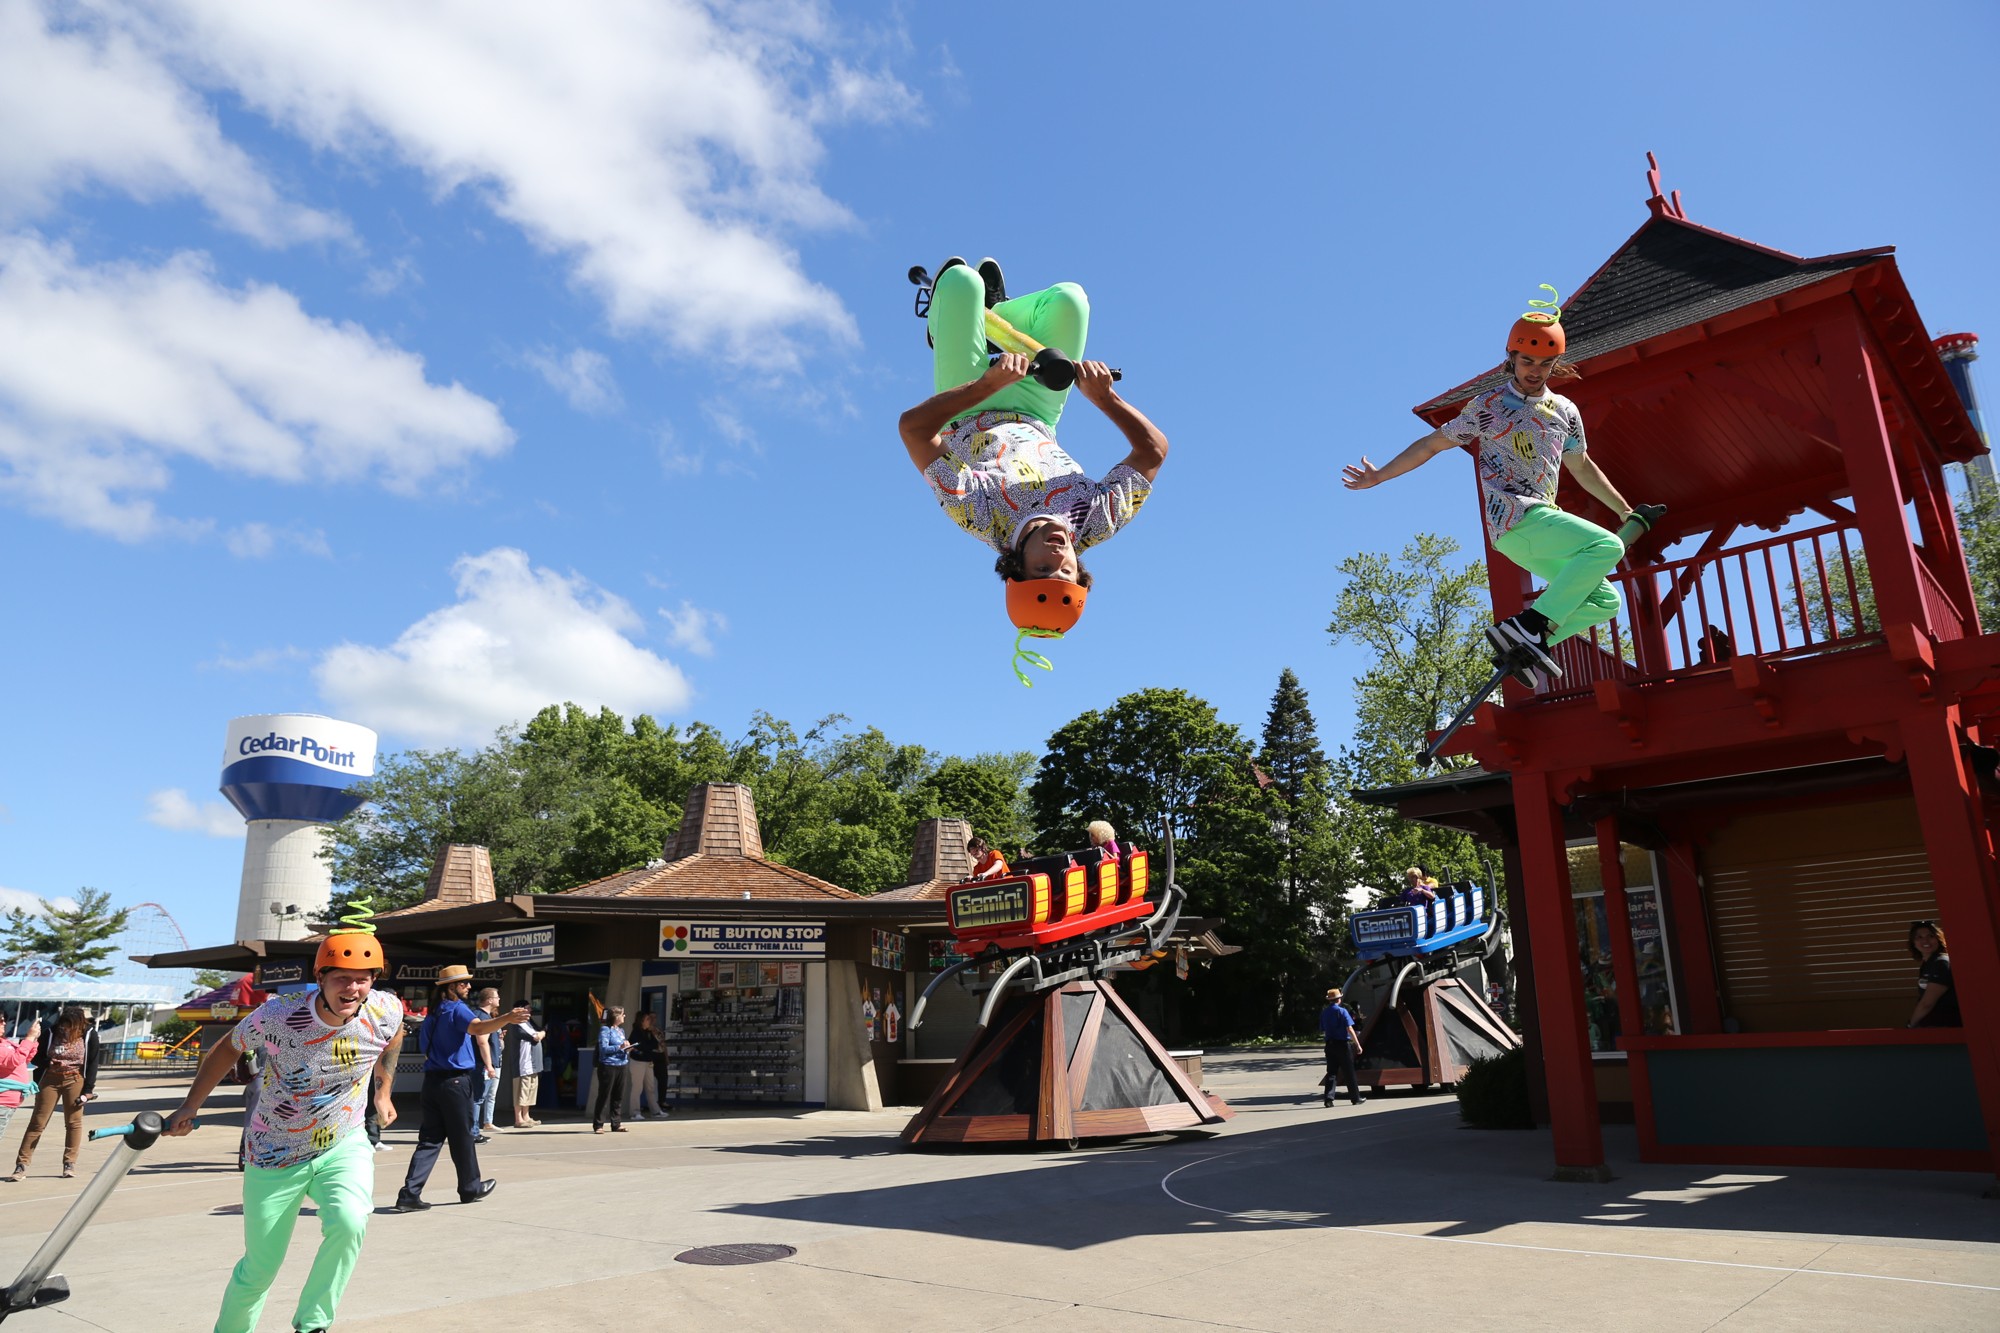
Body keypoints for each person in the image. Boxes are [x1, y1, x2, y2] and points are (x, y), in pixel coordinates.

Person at [1342, 288, 1644, 683]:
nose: (1534, 371)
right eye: (1526, 361)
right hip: (1515, 518)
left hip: (1533, 533)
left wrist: (1625, 510)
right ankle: (1531, 625)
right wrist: (1380, 475)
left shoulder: (1565, 411)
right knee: (1608, 545)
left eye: (1544, 364)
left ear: (1556, 363)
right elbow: (1432, 445)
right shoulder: (1488, 406)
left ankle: (1530, 646)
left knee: (1605, 601)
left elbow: (1583, 466)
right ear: (1511, 358)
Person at [164, 906, 403, 1333]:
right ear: (321, 978)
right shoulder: (278, 1016)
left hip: (342, 1142)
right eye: (342, 978)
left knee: (350, 1221)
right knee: (260, 1267)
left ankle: (313, 1323)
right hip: (275, 1152)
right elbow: (227, 1048)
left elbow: (394, 1037)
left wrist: (382, 1089)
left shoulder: (385, 1009)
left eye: (363, 978)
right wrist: (190, 1105)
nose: (353, 987)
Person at [899, 259, 1168, 630]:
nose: (1058, 557)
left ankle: (944, 319)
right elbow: (1153, 452)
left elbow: (913, 430)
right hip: (1037, 410)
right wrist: (1107, 399)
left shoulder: (980, 515)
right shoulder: (1094, 521)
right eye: (1066, 572)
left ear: (1016, 562)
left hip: (968, 403)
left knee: (961, 281)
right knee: (1070, 300)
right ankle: (991, 316)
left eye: (1043, 569)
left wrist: (985, 386)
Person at [394, 965, 528, 1211]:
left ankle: (409, 1194)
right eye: (463, 983)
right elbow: (478, 1029)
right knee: (463, 1137)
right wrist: (506, 1018)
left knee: (430, 1139)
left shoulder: (434, 1013)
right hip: (455, 1082)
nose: (468, 986)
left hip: (432, 1082)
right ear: (451, 986)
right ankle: (470, 1188)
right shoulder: (457, 1009)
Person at [12, 1006, 100, 1180]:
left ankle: (69, 1163)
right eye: (64, 1025)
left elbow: (93, 1063)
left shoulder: (89, 1034)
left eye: (70, 1027)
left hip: (74, 1079)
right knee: (37, 1122)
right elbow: (35, 1056)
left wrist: (88, 1090)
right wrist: (47, 1062)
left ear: (79, 1024)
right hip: (50, 1079)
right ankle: (21, 1165)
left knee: (73, 1123)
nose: (66, 1029)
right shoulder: (51, 1031)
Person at [1907, 920, 1962, 1028]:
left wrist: (1910, 1025)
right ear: (1913, 942)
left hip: (1945, 1024)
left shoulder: (1941, 963)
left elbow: (1927, 1004)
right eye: (1919, 937)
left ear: (1938, 939)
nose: (1925, 940)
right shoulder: (1928, 963)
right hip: (1931, 1022)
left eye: (1930, 936)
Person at [1318, 989, 1366, 1109]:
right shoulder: (1342, 1011)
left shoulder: (1324, 1013)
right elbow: (1349, 1029)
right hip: (1343, 1045)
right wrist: (1358, 1044)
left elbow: (1324, 1030)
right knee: (1348, 1071)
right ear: (1339, 999)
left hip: (1329, 1045)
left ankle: (1329, 1099)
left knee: (1331, 1072)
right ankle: (1355, 1098)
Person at [0, 1017, 41, 1157]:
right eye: (0, 1020)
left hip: (8, 1102)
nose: (4, 1023)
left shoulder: (5, 1043)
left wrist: (33, 1040)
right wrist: (29, 1038)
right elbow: (13, 1061)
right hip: (2, 1101)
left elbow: (23, 1060)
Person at [591, 1006, 633, 1133]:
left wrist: (627, 1049)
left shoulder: (621, 1031)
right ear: (616, 1016)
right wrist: (620, 1047)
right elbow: (604, 1048)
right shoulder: (605, 1030)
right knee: (604, 1094)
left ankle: (616, 1123)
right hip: (608, 1065)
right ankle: (598, 1125)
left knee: (618, 1095)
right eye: (622, 1014)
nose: (624, 1016)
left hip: (622, 1064)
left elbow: (621, 1048)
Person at [469, 987, 502, 1141]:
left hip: (478, 1064)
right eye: (497, 997)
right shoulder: (483, 1017)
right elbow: (482, 1042)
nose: (499, 1000)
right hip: (481, 1065)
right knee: (477, 1098)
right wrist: (489, 1066)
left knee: (476, 1098)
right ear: (489, 1000)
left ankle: (472, 1131)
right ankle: (473, 1132)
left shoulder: (479, 1015)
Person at [510, 1010, 546, 1128]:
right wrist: (540, 1034)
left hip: (533, 1065)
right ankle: (518, 1119)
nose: (529, 1014)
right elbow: (535, 1036)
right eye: (526, 1010)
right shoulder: (516, 1025)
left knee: (531, 1089)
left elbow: (542, 1031)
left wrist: (541, 1033)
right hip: (523, 1065)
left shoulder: (529, 1024)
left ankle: (526, 1116)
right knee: (521, 1091)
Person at [628, 1011, 667, 1119]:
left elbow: (655, 1044)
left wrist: (648, 1047)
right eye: (647, 1019)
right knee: (637, 1088)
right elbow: (642, 1046)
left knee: (650, 1087)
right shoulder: (636, 1033)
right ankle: (635, 1113)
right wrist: (647, 1047)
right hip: (638, 1063)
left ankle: (655, 1111)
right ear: (641, 1021)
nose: (650, 1021)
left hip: (649, 1062)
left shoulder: (648, 1032)